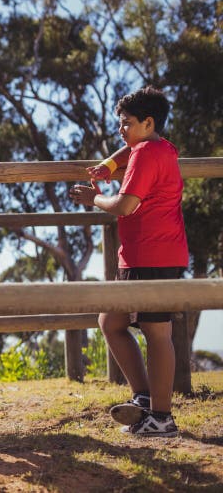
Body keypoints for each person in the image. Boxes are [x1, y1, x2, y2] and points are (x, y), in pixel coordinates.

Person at [70, 86, 187, 437]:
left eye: (127, 123)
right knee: (111, 321)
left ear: (148, 123)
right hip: (140, 254)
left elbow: (125, 205)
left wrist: (94, 199)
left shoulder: (147, 155)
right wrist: (109, 164)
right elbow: (129, 149)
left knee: (157, 333)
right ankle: (145, 399)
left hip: (155, 255)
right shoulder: (158, 147)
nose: (121, 130)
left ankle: (162, 418)